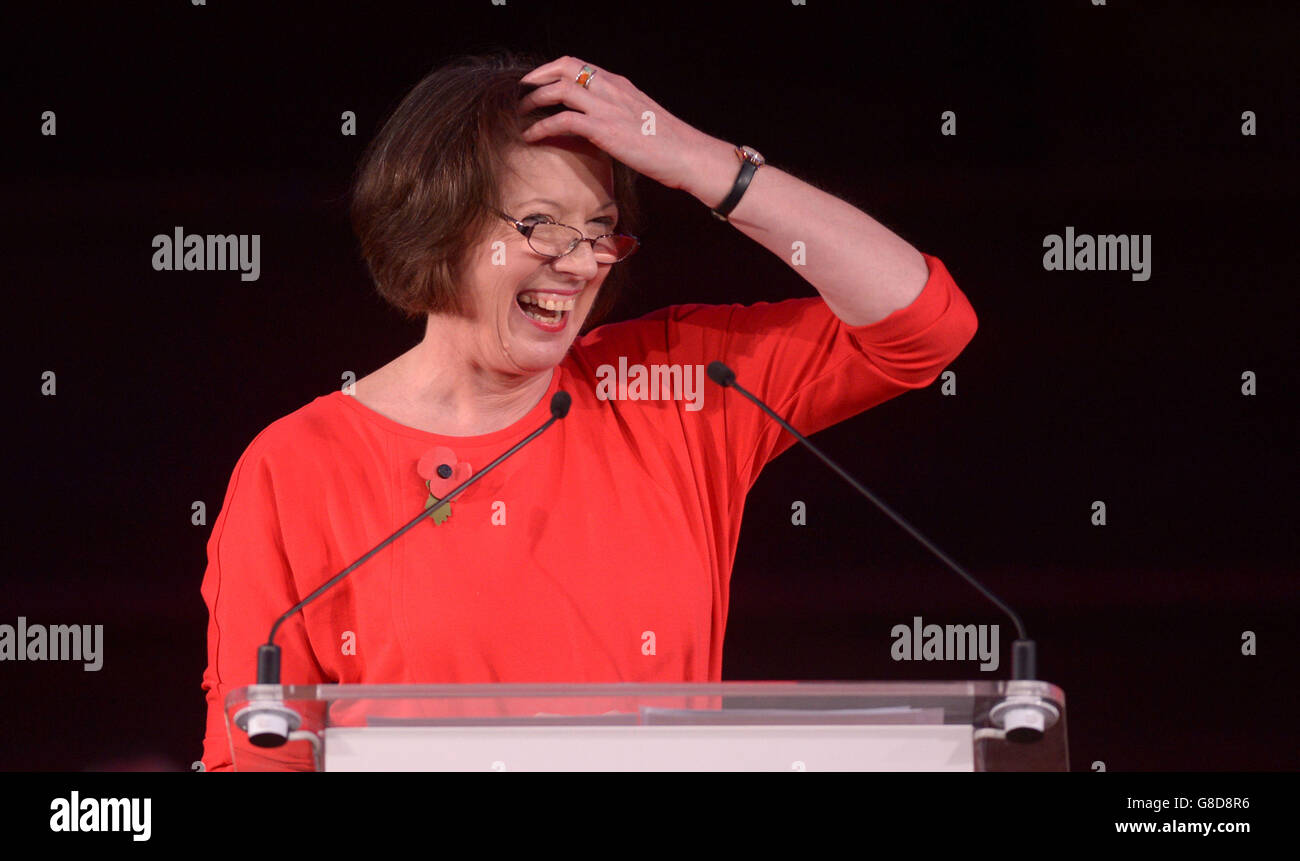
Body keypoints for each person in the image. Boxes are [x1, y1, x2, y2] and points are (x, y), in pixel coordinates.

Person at [199, 50, 979, 771]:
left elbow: (924, 325)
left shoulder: (677, 388)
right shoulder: (296, 465)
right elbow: (258, 755)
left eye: (602, 232)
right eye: (542, 225)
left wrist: (704, 163)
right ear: (435, 218)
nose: (579, 263)